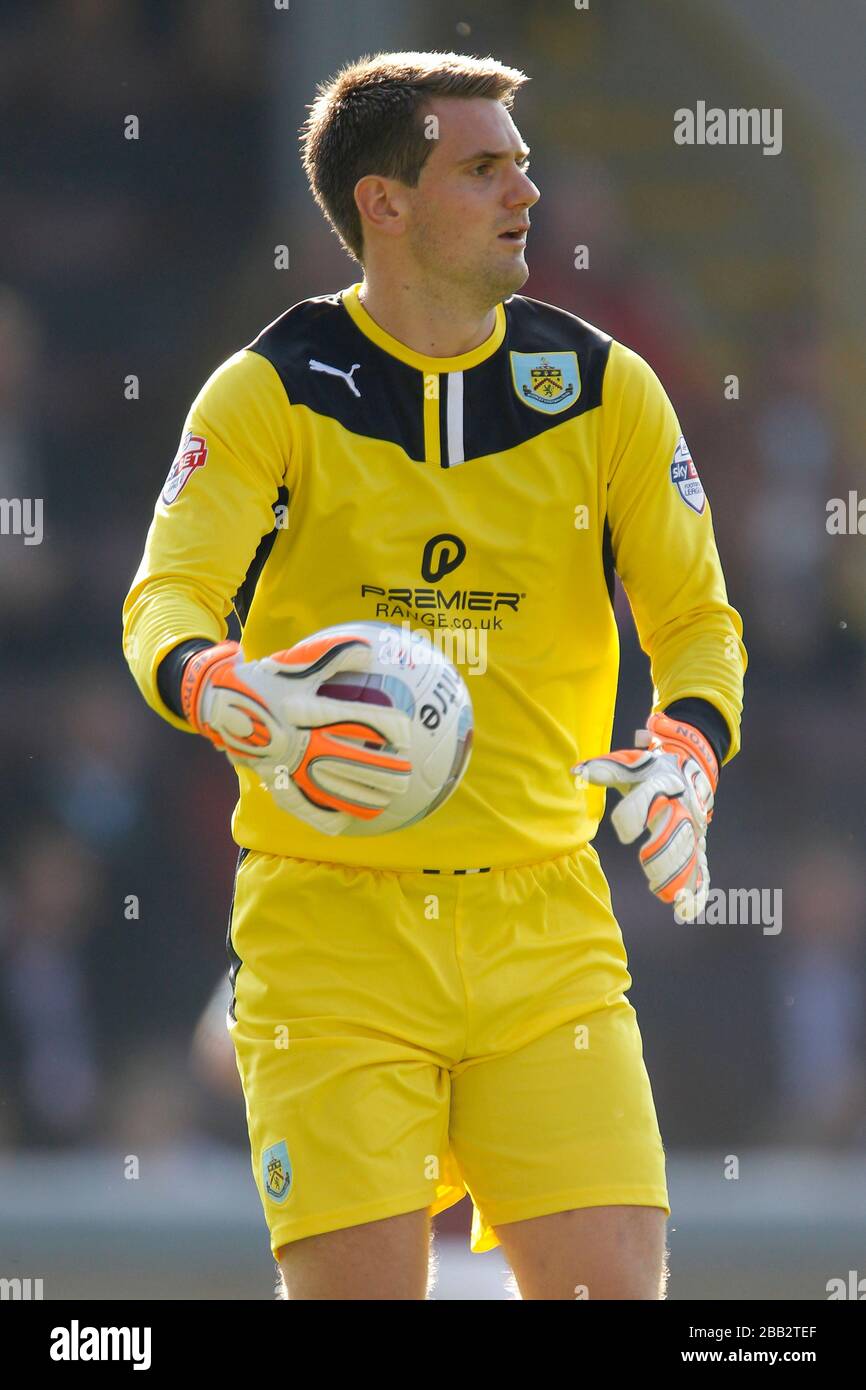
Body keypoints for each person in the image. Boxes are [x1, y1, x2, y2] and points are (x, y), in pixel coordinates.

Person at [122, 50, 746, 1300]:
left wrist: (685, 743)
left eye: (521, 165)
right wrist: (211, 681)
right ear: (382, 204)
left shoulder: (606, 391)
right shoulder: (267, 393)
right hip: (328, 928)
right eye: (483, 168)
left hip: (546, 923)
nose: (527, 194)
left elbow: (695, 618)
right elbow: (166, 601)